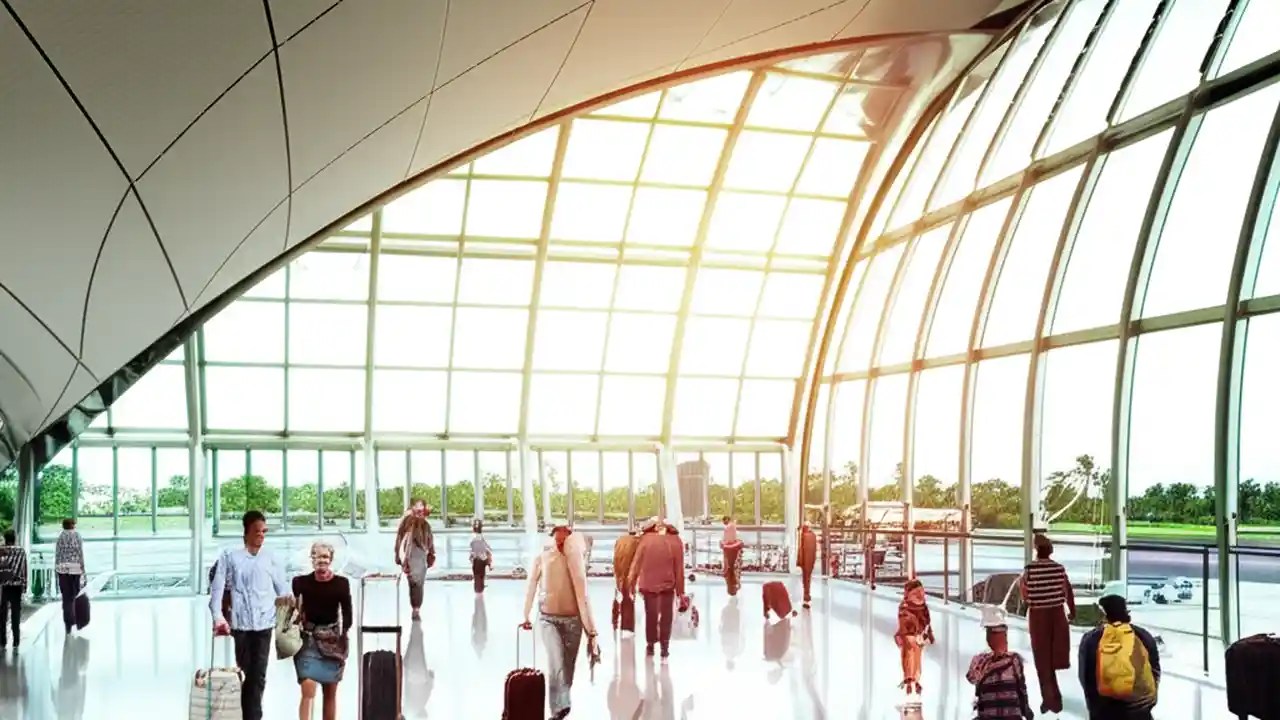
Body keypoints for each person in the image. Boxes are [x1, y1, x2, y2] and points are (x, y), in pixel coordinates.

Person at [210, 510, 294, 720]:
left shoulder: (271, 558)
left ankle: (252, 716)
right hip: (241, 626)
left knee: (258, 675)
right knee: (248, 673)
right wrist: (219, 617)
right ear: (246, 532)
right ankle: (248, 714)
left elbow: (282, 588)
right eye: (257, 531)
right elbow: (217, 590)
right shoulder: (230, 557)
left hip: (264, 624)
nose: (261, 535)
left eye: (264, 531)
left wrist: (290, 602)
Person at [523, 526, 599, 719]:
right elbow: (532, 583)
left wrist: (592, 632)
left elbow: (583, 597)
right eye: (557, 537)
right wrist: (526, 614)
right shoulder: (544, 556)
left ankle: (562, 702)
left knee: (567, 666)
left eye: (565, 537)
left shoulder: (575, 560)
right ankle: (558, 709)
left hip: (573, 620)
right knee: (555, 661)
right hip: (549, 619)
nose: (561, 541)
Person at [1078, 582, 1160, 720]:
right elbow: (1155, 674)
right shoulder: (1143, 636)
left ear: (1103, 612)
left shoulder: (1091, 639)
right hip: (1140, 714)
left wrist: (1095, 708)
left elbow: (1086, 678)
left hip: (1104, 713)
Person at [291, 541, 352, 720]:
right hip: (308, 640)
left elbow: (347, 613)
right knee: (308, 687)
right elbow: (294, 610)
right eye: (318, 556)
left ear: (331, 559)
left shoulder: (341, 583)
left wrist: (342, 638)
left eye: (325, 556)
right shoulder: (300, 582)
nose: (322, 560)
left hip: (331, 641)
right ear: (312, 559)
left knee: (330, 692)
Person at [1020, 533, 1075, 714]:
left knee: (1042, 661)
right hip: (1058, 617)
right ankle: (1053, 699)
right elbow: (1067, 591)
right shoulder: (1059, 569)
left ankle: (1050, 700)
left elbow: (1025, 596)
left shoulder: (1029, 570)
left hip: (1038, 617)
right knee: (1054, 659)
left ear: (1036, 550)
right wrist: (1072, 612)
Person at [627, 518, 685, 662]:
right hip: (668, 585)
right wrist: (680, 592)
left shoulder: (645, 541)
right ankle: (665, 649)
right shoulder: (676, 541)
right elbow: (679, 569)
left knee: (651, 615)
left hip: (648, 585)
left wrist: (631, 583)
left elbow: (635, 564)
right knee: (667, 617)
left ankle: (651, 645)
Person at [967, 606, 1033, 719]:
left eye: (1004, 633)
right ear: (989, 636)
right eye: (998, 633)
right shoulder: (980, 660)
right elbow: (972, 678)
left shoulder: (1013, 660)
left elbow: (1021, 687)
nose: (1003, 638)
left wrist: (1025, 708)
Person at [395, 501, 435, 620]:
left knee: (414, 583)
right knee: (416, 583)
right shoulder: (412, 523)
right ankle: (416, 608)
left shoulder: (419, 524)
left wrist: (398, 557)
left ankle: (415, 607)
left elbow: (399, 539)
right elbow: (400, 539)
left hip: (415, 556)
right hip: (415, 556)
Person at [895, 578, 933, 696]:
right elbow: (906, 625)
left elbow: (926, 623)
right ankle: (909, 678)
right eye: (916, 593)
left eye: (921, 592)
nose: (920, 596)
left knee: (917, 652)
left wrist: (927, 635)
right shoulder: (905, 609)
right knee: (911, 647)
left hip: (919, 635)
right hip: (909, 634)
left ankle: (915, 679)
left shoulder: (923, 608)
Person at [54, 518, 85, 635]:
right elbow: (80, 553)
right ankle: (76, 618)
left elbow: (57, 554)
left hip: (62, 570)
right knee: (75, 595)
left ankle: (68, 623)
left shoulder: (60, 537)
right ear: (72, 525)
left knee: (66, 597)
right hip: (75, 569)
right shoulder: (77, 536)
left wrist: (56, 569)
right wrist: (83, 568)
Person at [0, 529, 28, 649]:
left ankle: (2, 641)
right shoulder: (21, 551)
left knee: (2, 614)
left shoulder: (1, 551)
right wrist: (25, 585)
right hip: (17, 586)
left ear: (5, 538)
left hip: (4, 585)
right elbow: (24, 569)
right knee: (16, 613)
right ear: (15, 538)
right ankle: (16, 641)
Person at [613, 526, 640, 634]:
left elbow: (616, 558)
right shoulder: (637, 543)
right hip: (629, 573)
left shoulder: (621, 540)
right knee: (629, 598)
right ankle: (628, 627)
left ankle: (618, 621)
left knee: (623, 597)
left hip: (620, 572)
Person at [720, 516, 743, 596]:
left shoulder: (729, 527)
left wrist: (725, 544)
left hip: (729, 549)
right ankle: (734, 578)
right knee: (733, 567)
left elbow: (727, 539)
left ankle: (732, 578)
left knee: (730, 567)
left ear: (727, 519)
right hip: (733, 548)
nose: (724, 523)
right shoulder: (732, 526)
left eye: (724, 521)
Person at [797, 523, 818, 609]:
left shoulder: (803, 536)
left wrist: (799, 562)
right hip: (811, 561)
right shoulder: (813, 536)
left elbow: (801, 551)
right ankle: (807, 597)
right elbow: (815, 549)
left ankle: (806, 598)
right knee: (808, 579)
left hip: (805, 562)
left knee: (805, 580)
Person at [470, 519, 493, 594]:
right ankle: (480, 586)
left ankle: (478, 587)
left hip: (477, 558)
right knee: (481, 572)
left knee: (477, 572)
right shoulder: (481, 538)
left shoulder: (473, 538)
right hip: (482, 558)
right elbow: (487, 548)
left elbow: (472, 549)